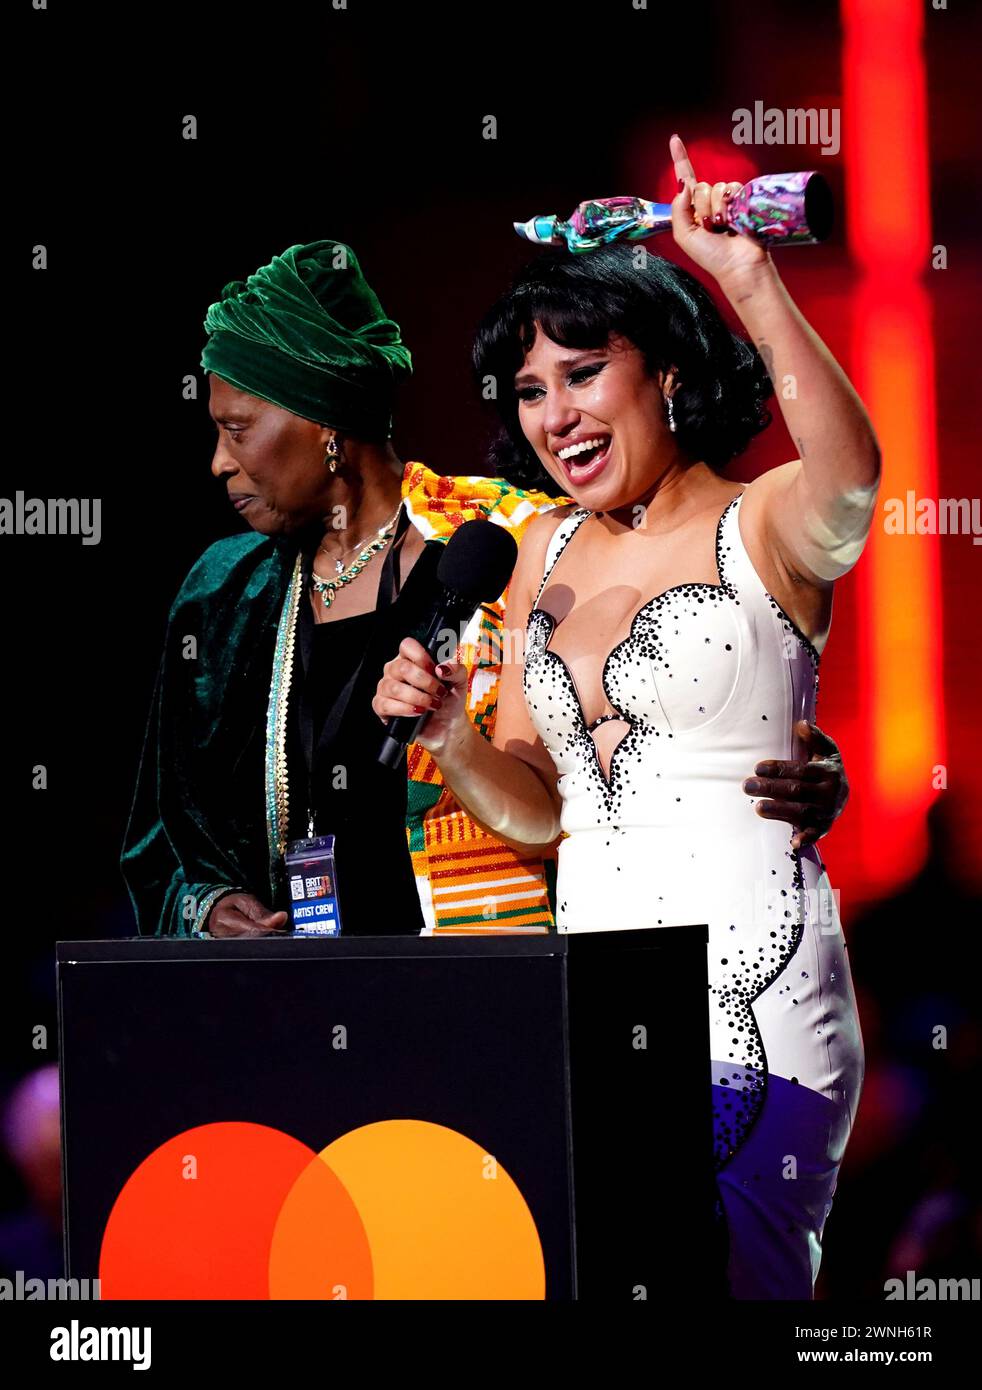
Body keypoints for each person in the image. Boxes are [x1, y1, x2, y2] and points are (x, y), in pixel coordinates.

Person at [372, 135, 877, 1296]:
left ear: (669, 372)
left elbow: (851, 478)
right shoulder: (533, 554)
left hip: (755, 1008)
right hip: (593, 1022)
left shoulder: (763, 525)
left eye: (585, 372)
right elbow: (541, 818)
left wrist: (743, 274)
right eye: (533, 390)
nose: (556, 414)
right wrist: (450, 735)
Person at [120, 237, 850, 943]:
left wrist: (800, 755)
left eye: (238, 430)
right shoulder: (226, 592)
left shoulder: (514, 533)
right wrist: (205, 904)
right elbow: (169, 823)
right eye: (531, 389)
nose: (219, 461)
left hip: (495, 972)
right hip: (304, 980)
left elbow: (680, 667)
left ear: (324, 425)